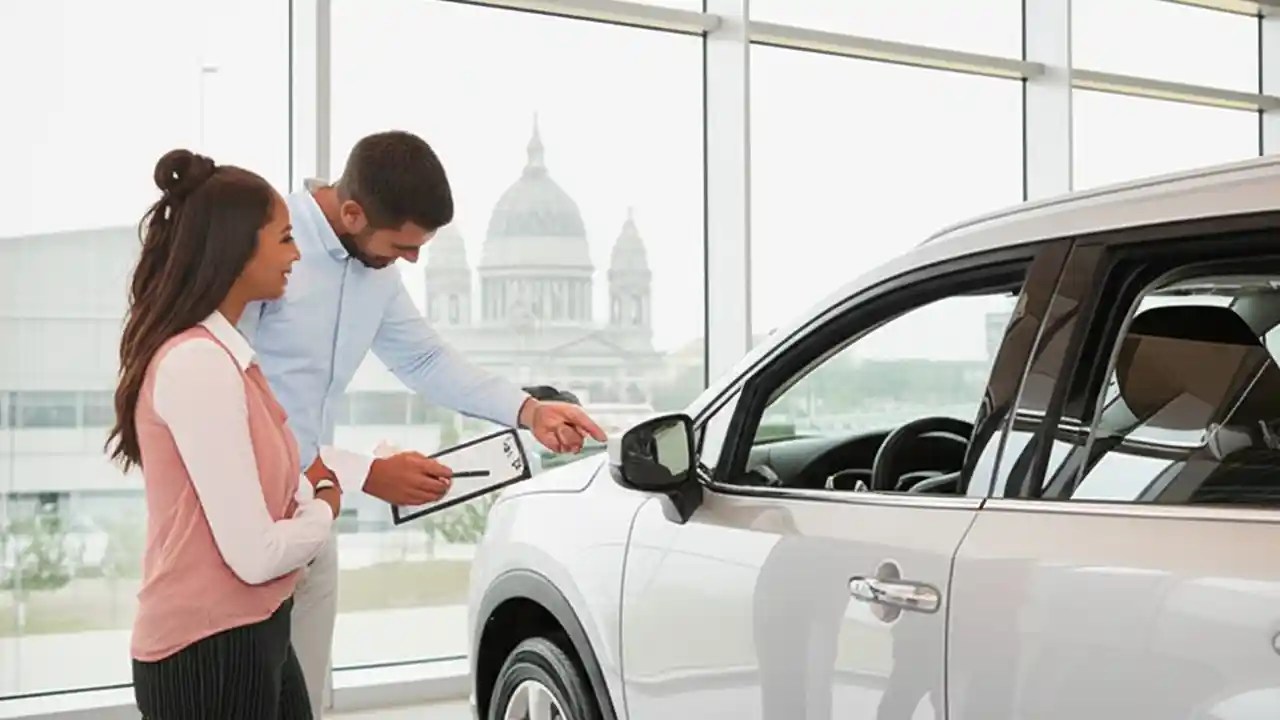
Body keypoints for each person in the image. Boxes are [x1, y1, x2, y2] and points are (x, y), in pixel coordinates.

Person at [237, 129, 608, 716]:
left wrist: (529, 410)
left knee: (304, 703)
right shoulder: (268, 255)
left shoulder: (375, 269)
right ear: (353, 213)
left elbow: (426, 359)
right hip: (244, 521)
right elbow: (242, 408)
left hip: (311, 512)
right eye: (402, 245)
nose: (411, 261)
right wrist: (368, 475)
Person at [107, 149, 367, 719]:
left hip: (256, 629)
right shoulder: (198, 364)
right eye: (283, 239)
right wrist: (325, 507)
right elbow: (256, 553)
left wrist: (309, 501)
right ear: (236, 250)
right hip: (208, 652)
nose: (296, 254)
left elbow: (275, 501)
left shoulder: (230, 361)